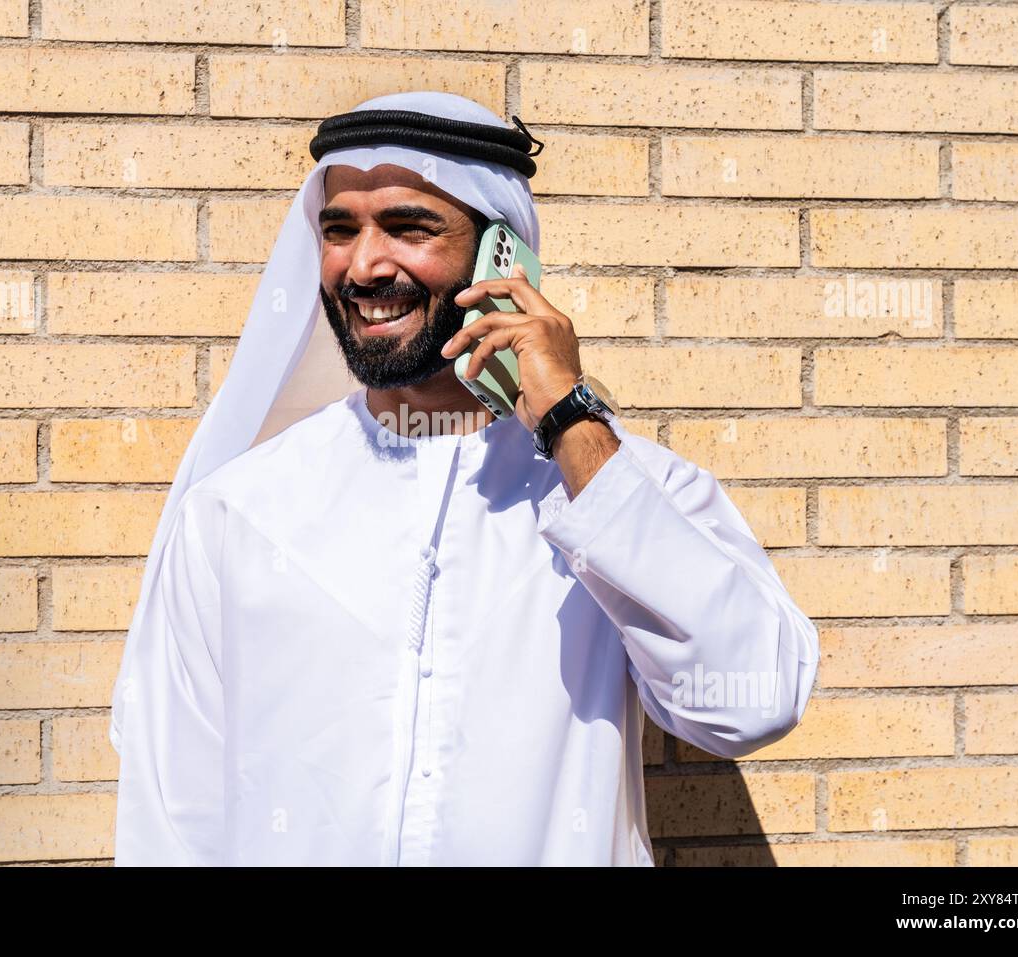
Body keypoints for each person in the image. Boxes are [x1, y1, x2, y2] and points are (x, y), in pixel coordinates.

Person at [109, 90, 820, 866]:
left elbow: (752, 701)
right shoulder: (238, 511)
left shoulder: (630, 490)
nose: (364, 265)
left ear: (500, 259)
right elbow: (171, 818)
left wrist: (573, 425)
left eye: (409, 228)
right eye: (340, 230)